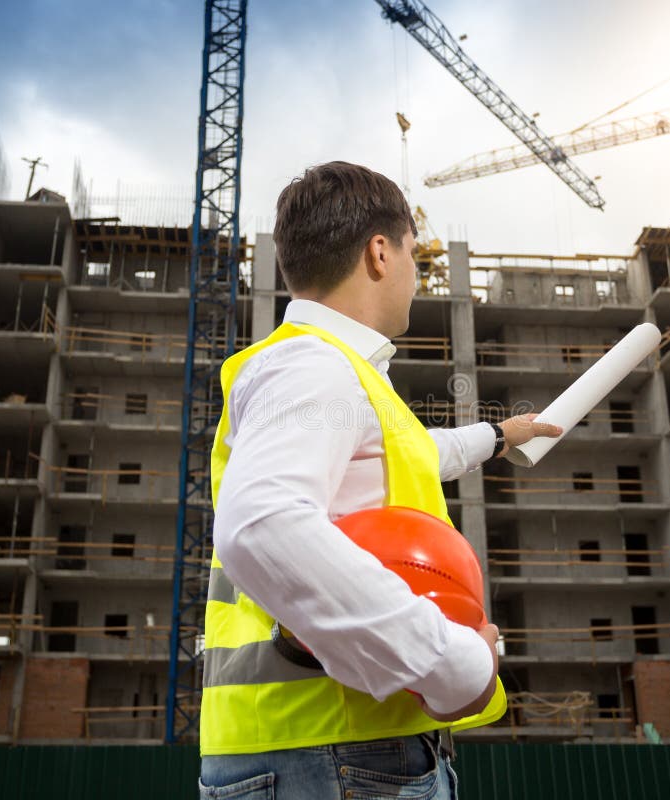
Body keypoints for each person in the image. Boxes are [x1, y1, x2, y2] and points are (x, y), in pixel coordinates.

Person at [199, 161, 563, 800]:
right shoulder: (314, 366)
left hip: (321, 752)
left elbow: (418, 452)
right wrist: (449, 661)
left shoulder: (336, 374)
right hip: (333, 756)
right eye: (414, 257)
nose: (418, 279)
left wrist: (504, 436)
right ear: (378, 253)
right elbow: (261, 524)